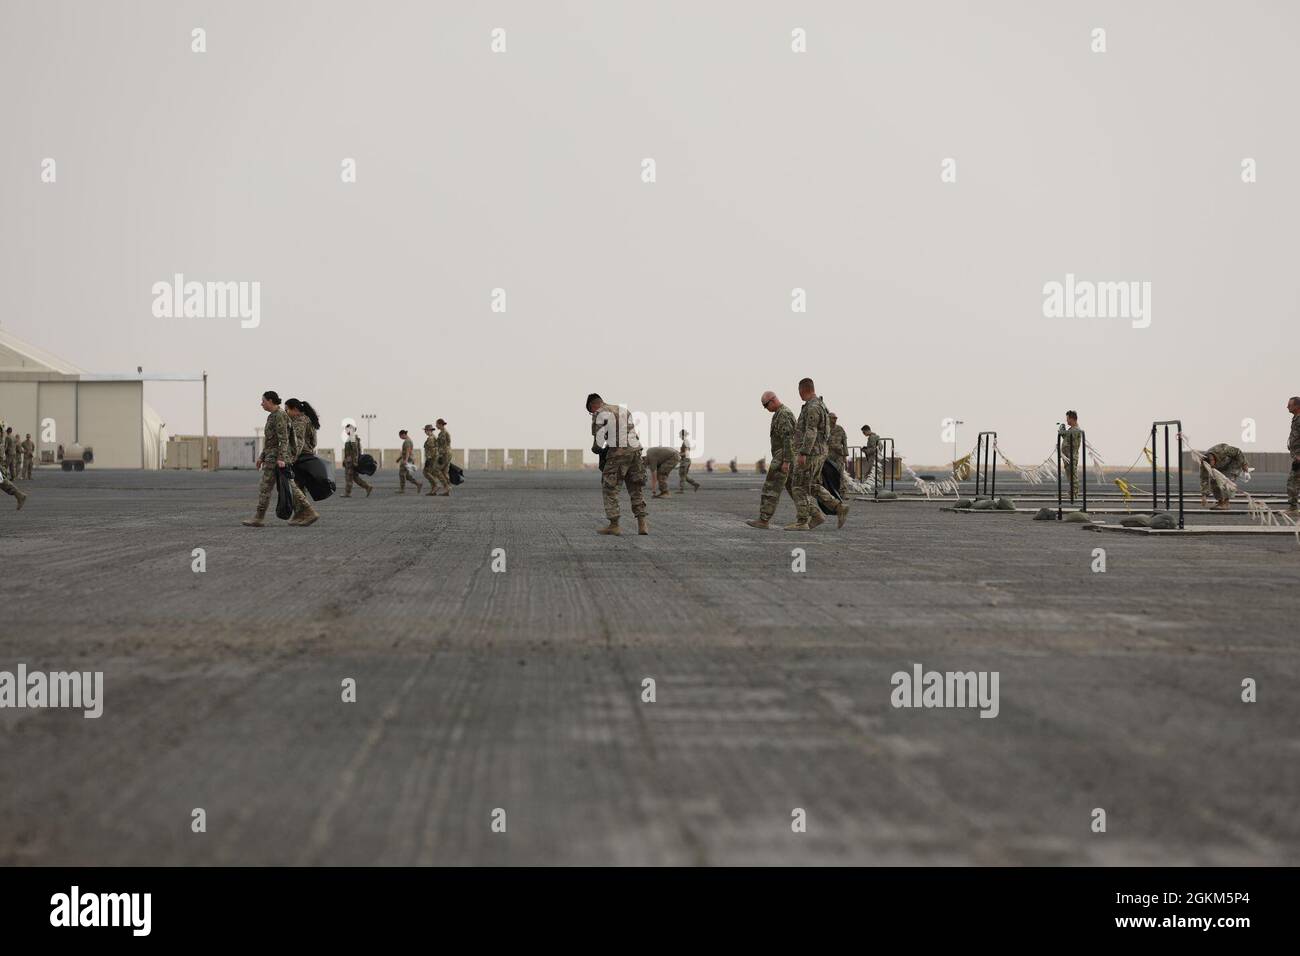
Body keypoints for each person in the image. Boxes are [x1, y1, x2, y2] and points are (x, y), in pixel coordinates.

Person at [242, 390, 312, 526]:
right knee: (286, 485)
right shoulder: (273, 416)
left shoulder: (279, 415)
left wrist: (281, 458)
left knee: (267, 487)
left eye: (263, 401)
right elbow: (270, 441)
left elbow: (283, 439)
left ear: (270, 401)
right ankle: (308, 511)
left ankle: (259, 517)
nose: (261, 404)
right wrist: (261, 457)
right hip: (272, 457)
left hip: (276, 459)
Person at [790, 377, 848, 530]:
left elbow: (811, 431)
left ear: (803, 390)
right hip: (819, 452)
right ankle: (837, 507)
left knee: (797, 486)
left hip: (811, 454)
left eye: (799, 392)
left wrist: (803, 452)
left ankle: (802, 521)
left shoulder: (813, 407)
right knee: (813, 486)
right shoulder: (821, 405)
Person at [587, 392, 648, 535]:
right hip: (635, 451)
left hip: (618, 454)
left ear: (593, 406)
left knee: (610, 488)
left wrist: (595, 449)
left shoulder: (600, 413)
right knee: (636, 487)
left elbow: (599, 441)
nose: (592, 414)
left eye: (591, 412)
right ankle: (642, 524)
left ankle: (614, 525)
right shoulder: (622, 410)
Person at [746, 390, 798, 529]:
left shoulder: (784, 414)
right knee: (795, 489)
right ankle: (813, 514)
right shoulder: (779, 414)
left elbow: (788, 439)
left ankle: (763, 520)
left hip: (783, 457)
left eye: (765, 405)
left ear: (773, 400)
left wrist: (786, 461)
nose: (765, 408)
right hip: (785, 456)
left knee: (771, 488)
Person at [284, 398, 322, 526]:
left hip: (300, 456)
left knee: (295, 485)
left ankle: (307, 513)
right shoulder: (307, 419)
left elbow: (298, 442)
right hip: (306, 455)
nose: (286, 412)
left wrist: (292, 458)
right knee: (299, 485)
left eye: (287, 409)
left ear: (294, 409)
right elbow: (313, 442)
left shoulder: (300, 421)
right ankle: (299, 514)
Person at [1200, 443, 1250, 510]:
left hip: (1232, 464)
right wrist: (1204, 495)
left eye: (1212, 461)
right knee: (1214, 481)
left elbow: (1238, 452)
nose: (1211, 464)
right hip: (1220, 468)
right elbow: (1204, 478)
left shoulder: (1222, 450)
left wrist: (1244, 464)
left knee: (1227, 481)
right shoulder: (1204, 462)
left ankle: (1226, 503)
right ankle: (1220, 502)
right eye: (1210, 463)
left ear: (1214, 458)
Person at [1057, 411, 1083, 501]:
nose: (1067, 420)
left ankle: (1074, 493)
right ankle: (1071, 492)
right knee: (1070, 475)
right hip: (1067, 456)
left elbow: (1070, 436)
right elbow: (1067, 438)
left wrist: (1062, 431)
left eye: (1067, 418)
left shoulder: (1076, 430)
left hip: (1072, 456)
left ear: (1072, 419)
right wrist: (1062, 432)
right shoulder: (1072, 429)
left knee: (1073, 475)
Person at [342, 424, 372, 497]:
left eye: (347, 429)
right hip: (350, 460)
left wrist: (355, 461)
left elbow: (355, 450)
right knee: (355, 477)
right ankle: (367, 487)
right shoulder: (352, 438)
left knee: (349, 477)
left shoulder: (352, 438)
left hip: (351, 461)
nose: (346, 431)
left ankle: (347, 493)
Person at [396, 429, 422, 494]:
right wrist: (399, 458)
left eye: (400, 436)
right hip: (408, 459)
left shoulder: (407, 441)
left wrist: (405, 460)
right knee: (407, 476)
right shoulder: (408, 440)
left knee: (401, 474)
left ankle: (402, 489)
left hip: (407, 459)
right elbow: (404, 452)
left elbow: (407, 451)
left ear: (403, 434)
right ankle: (418, 484)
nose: (400, 438)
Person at [430, 418, 452, 496]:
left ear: (440, 424)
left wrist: (440, 455)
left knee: (436, 470)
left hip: (444, 454)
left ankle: (447, 487)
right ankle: (447, 490)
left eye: (436, 424)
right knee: (444, 472)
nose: (436, 425)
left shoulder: (443, 433)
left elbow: (442, 445)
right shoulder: (444, 432)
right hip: (447, 453)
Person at [1287, 396, 1300, 516]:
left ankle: (1293, 508)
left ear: (1297, 406)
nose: (1287, 407)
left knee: (1292, 482)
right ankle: (1293, 507)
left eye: (1290, 405)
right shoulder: (1296, 419)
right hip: (1297, 456)